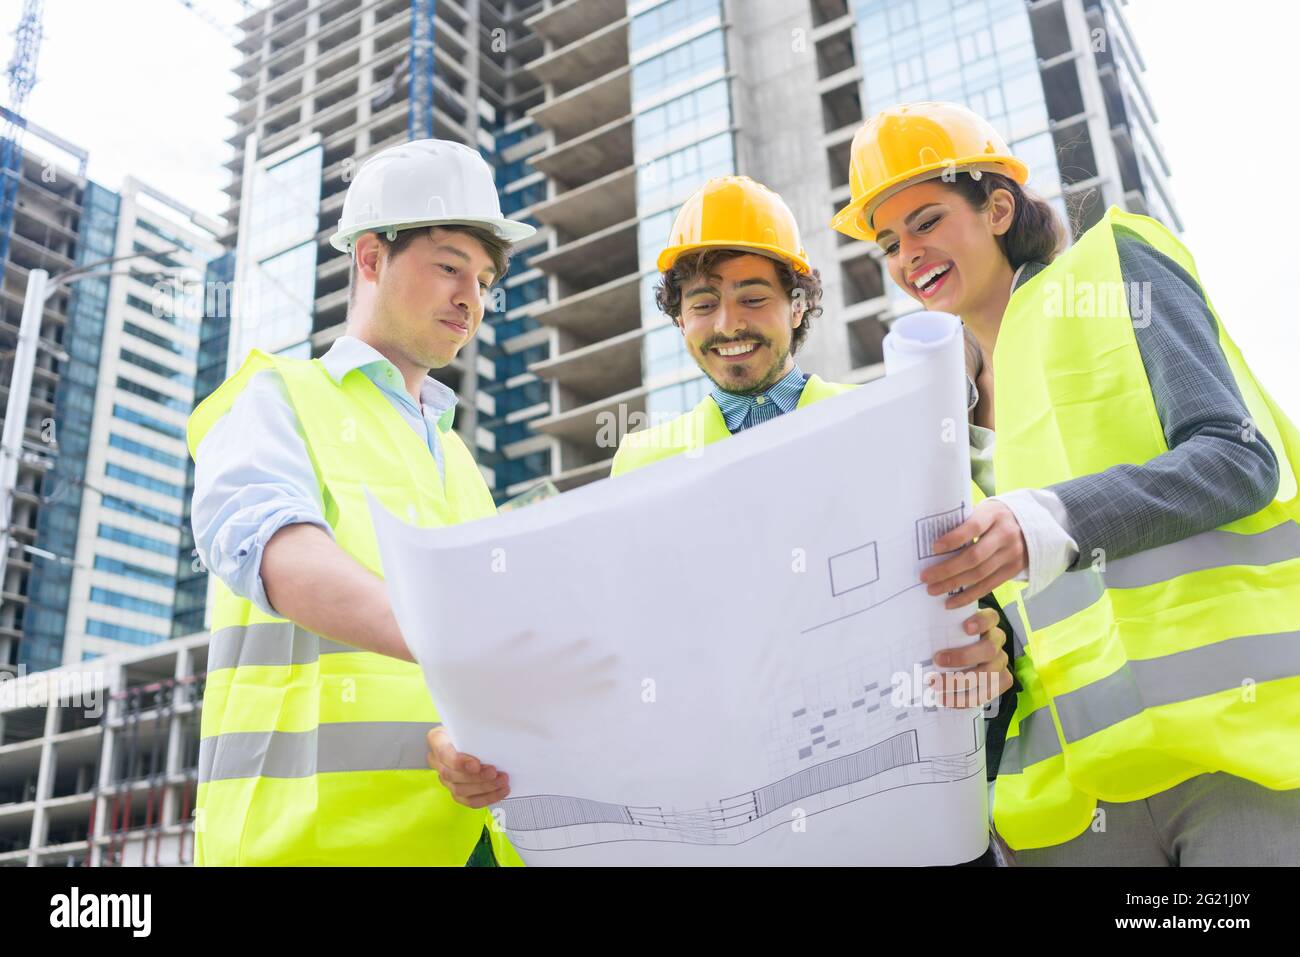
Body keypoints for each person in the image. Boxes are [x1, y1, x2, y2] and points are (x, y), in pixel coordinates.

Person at [429, 175, 1013, 863]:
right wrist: (485, 727)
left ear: (798, 306)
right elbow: (608, 650)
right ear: (680, 319)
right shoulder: (643, 461)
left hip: (881, 815)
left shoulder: (883, 429)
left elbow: (983, 600)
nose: (728, 324)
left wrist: (992, 656)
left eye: (754, 297)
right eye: (703, 303)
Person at [831, 100, 1300, 865]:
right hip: (1067, 811)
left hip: (1228, 762)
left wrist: (1044, 523)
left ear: (997, 207)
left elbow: (1238, 457)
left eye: (926, 220)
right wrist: (986, 659)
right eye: (887, 243)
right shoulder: (939, 429)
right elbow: (1025, 629)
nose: (908, 254)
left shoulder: (1112, 269)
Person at [188, 139, 534, 866]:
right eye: (448, 266)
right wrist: (461, 645)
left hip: (462, 845)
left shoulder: (462, 463)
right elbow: (281, 556)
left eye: (484, 276)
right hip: (303, 850)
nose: (471, 295)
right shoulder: (274, 398)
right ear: (371, 258)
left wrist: (473, 729)